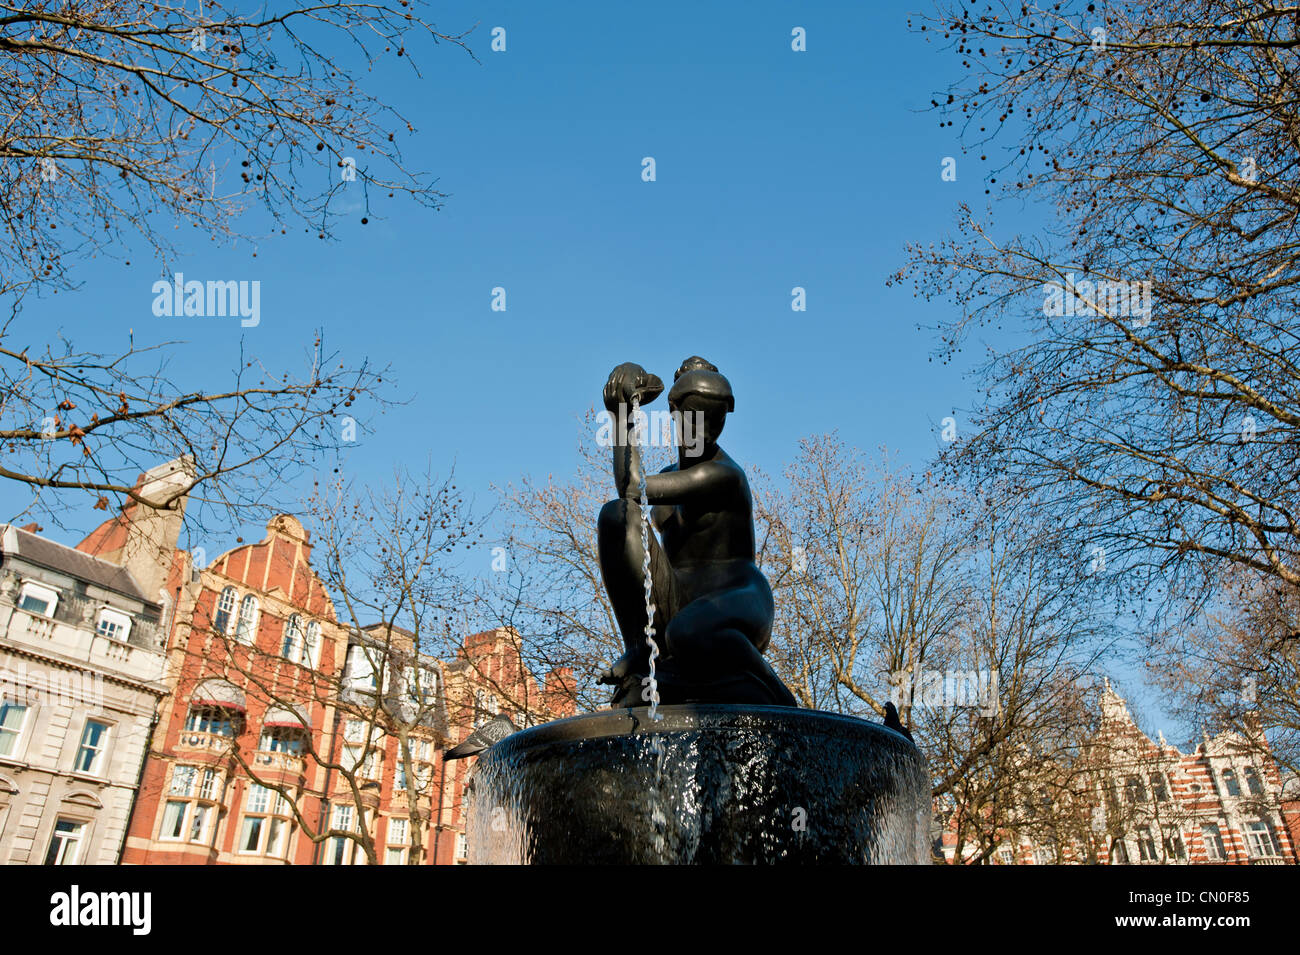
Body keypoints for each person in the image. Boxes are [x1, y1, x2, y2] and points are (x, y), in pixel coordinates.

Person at [596, 356, 797, 707]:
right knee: (617, 516)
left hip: (735, 596)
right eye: (694, 413)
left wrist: (622, 415)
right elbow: (630, 500)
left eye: (712, 416)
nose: (703, 426)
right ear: (675, 411)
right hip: (680, 597)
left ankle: (773, 691)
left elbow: (632, 484)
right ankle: (644, 654)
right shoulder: (670, 476)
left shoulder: (722, 474)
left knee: (689, 631)